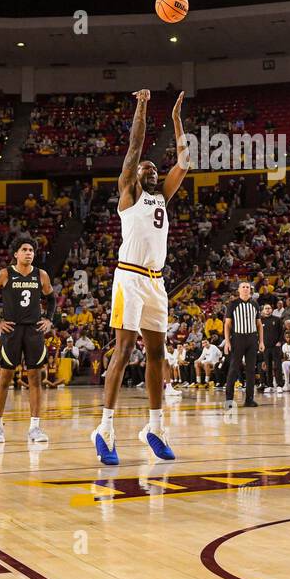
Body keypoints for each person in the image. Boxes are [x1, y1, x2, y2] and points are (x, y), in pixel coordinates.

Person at [90, 90, 188, 465]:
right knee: (124, 350)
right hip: (128, 278)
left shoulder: (162, 195)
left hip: (156, 282)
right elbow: (134, 146)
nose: (152, 172)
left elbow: (185, 161)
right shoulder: (129, 193)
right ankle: (105, 429)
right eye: (147, 169)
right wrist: (142, 105)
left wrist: (177, 119)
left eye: (154, 170)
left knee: (158, 354)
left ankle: (155, 427)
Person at [0, 236, 55, 443]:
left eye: (31, 250)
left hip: (33, 331)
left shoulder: (41, 275)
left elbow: (51, 298)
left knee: (35, 380)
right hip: (11, 331)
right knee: (4, 379)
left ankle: (35, 428)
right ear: (16, 254)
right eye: (24, 249)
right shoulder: (4, 274)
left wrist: (49, 319)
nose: (29, 253)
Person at [222, 281, 263, 410]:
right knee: (234, 369)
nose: (246, 289)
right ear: (239, 290)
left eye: (247, 287)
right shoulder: (232, 304)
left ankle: (249, 400)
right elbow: (227, 324)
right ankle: (229, 401)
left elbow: (259, 325)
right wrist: (227, 342)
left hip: (252, 339)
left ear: (250, 290)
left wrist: (261, 341)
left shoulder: (255, 304)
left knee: (251, 370)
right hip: (238, 338)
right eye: (243, 287)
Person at [259, 301, 285, 394]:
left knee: (277, 366)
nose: (267, 310)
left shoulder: (277, 319)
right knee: (268, 367)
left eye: (269, 308)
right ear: (263, 310)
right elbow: (258, 334)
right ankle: (269, 385)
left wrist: (280, 342)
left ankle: (279, 385)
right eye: (266, 308)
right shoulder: (260, 321)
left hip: (275, 347)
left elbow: (282, 332)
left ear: (272, 310)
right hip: (266, 347)